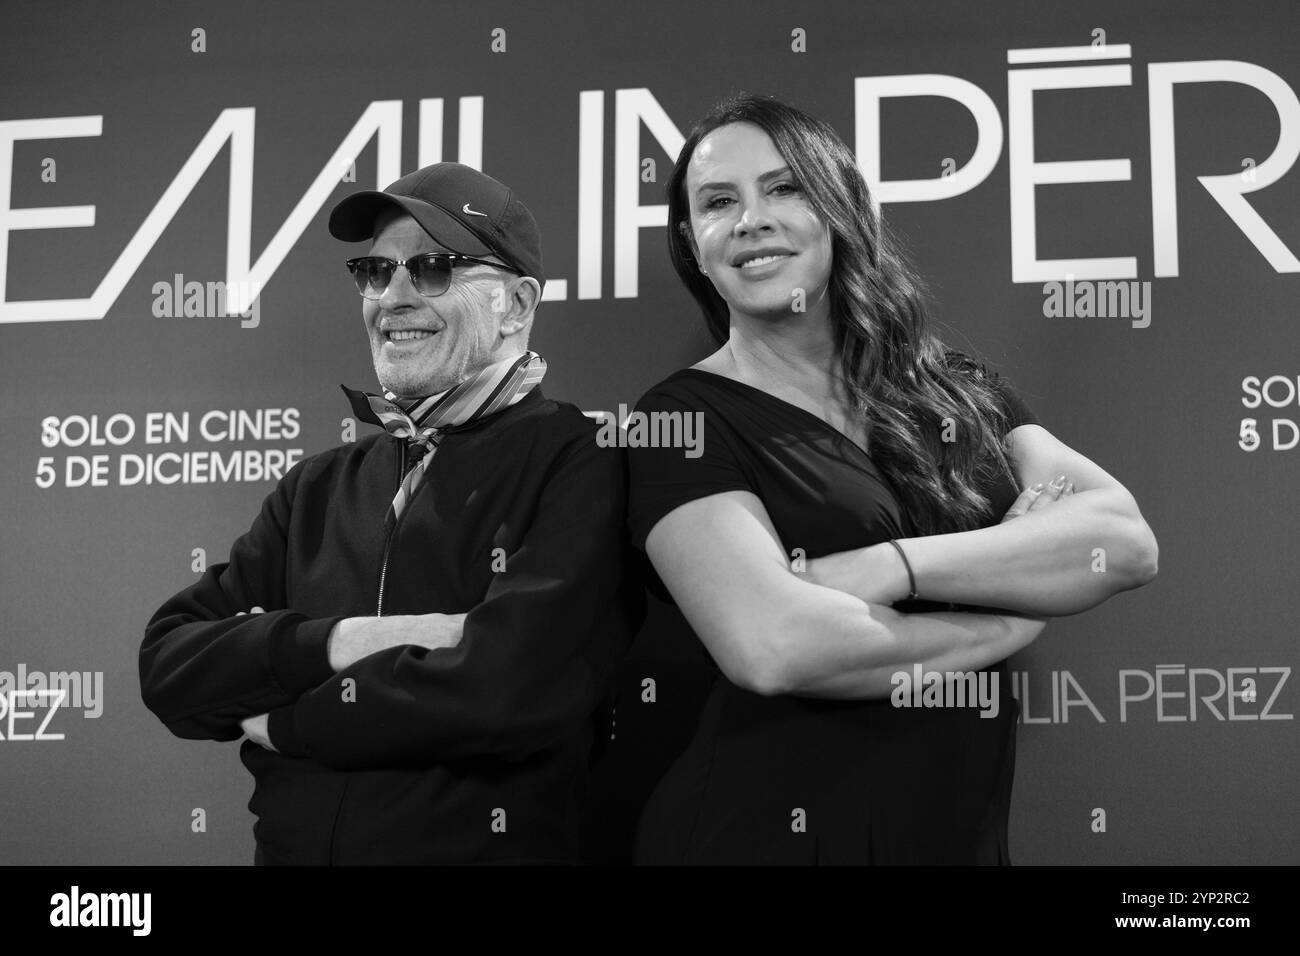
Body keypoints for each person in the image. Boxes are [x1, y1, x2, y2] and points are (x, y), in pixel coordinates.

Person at [625, 94, 1159, 865]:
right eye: (718, 202)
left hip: (955, 834)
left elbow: (1123, 542)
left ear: (840, 208)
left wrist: (888, 567)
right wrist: (1010, 611)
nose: (751, 219)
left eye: (785, 188)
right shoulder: (680, 419)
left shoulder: (956, 388)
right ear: (694, 243)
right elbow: (774, 645)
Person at [140, 162, 641, 865]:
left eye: (433, 268)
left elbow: (507, 688)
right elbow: (168, 667)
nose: (393, 297)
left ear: (517, 305)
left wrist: (286, 720)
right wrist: (340, 642)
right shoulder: (316, 486)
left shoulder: (582, 460)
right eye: (375, 272)